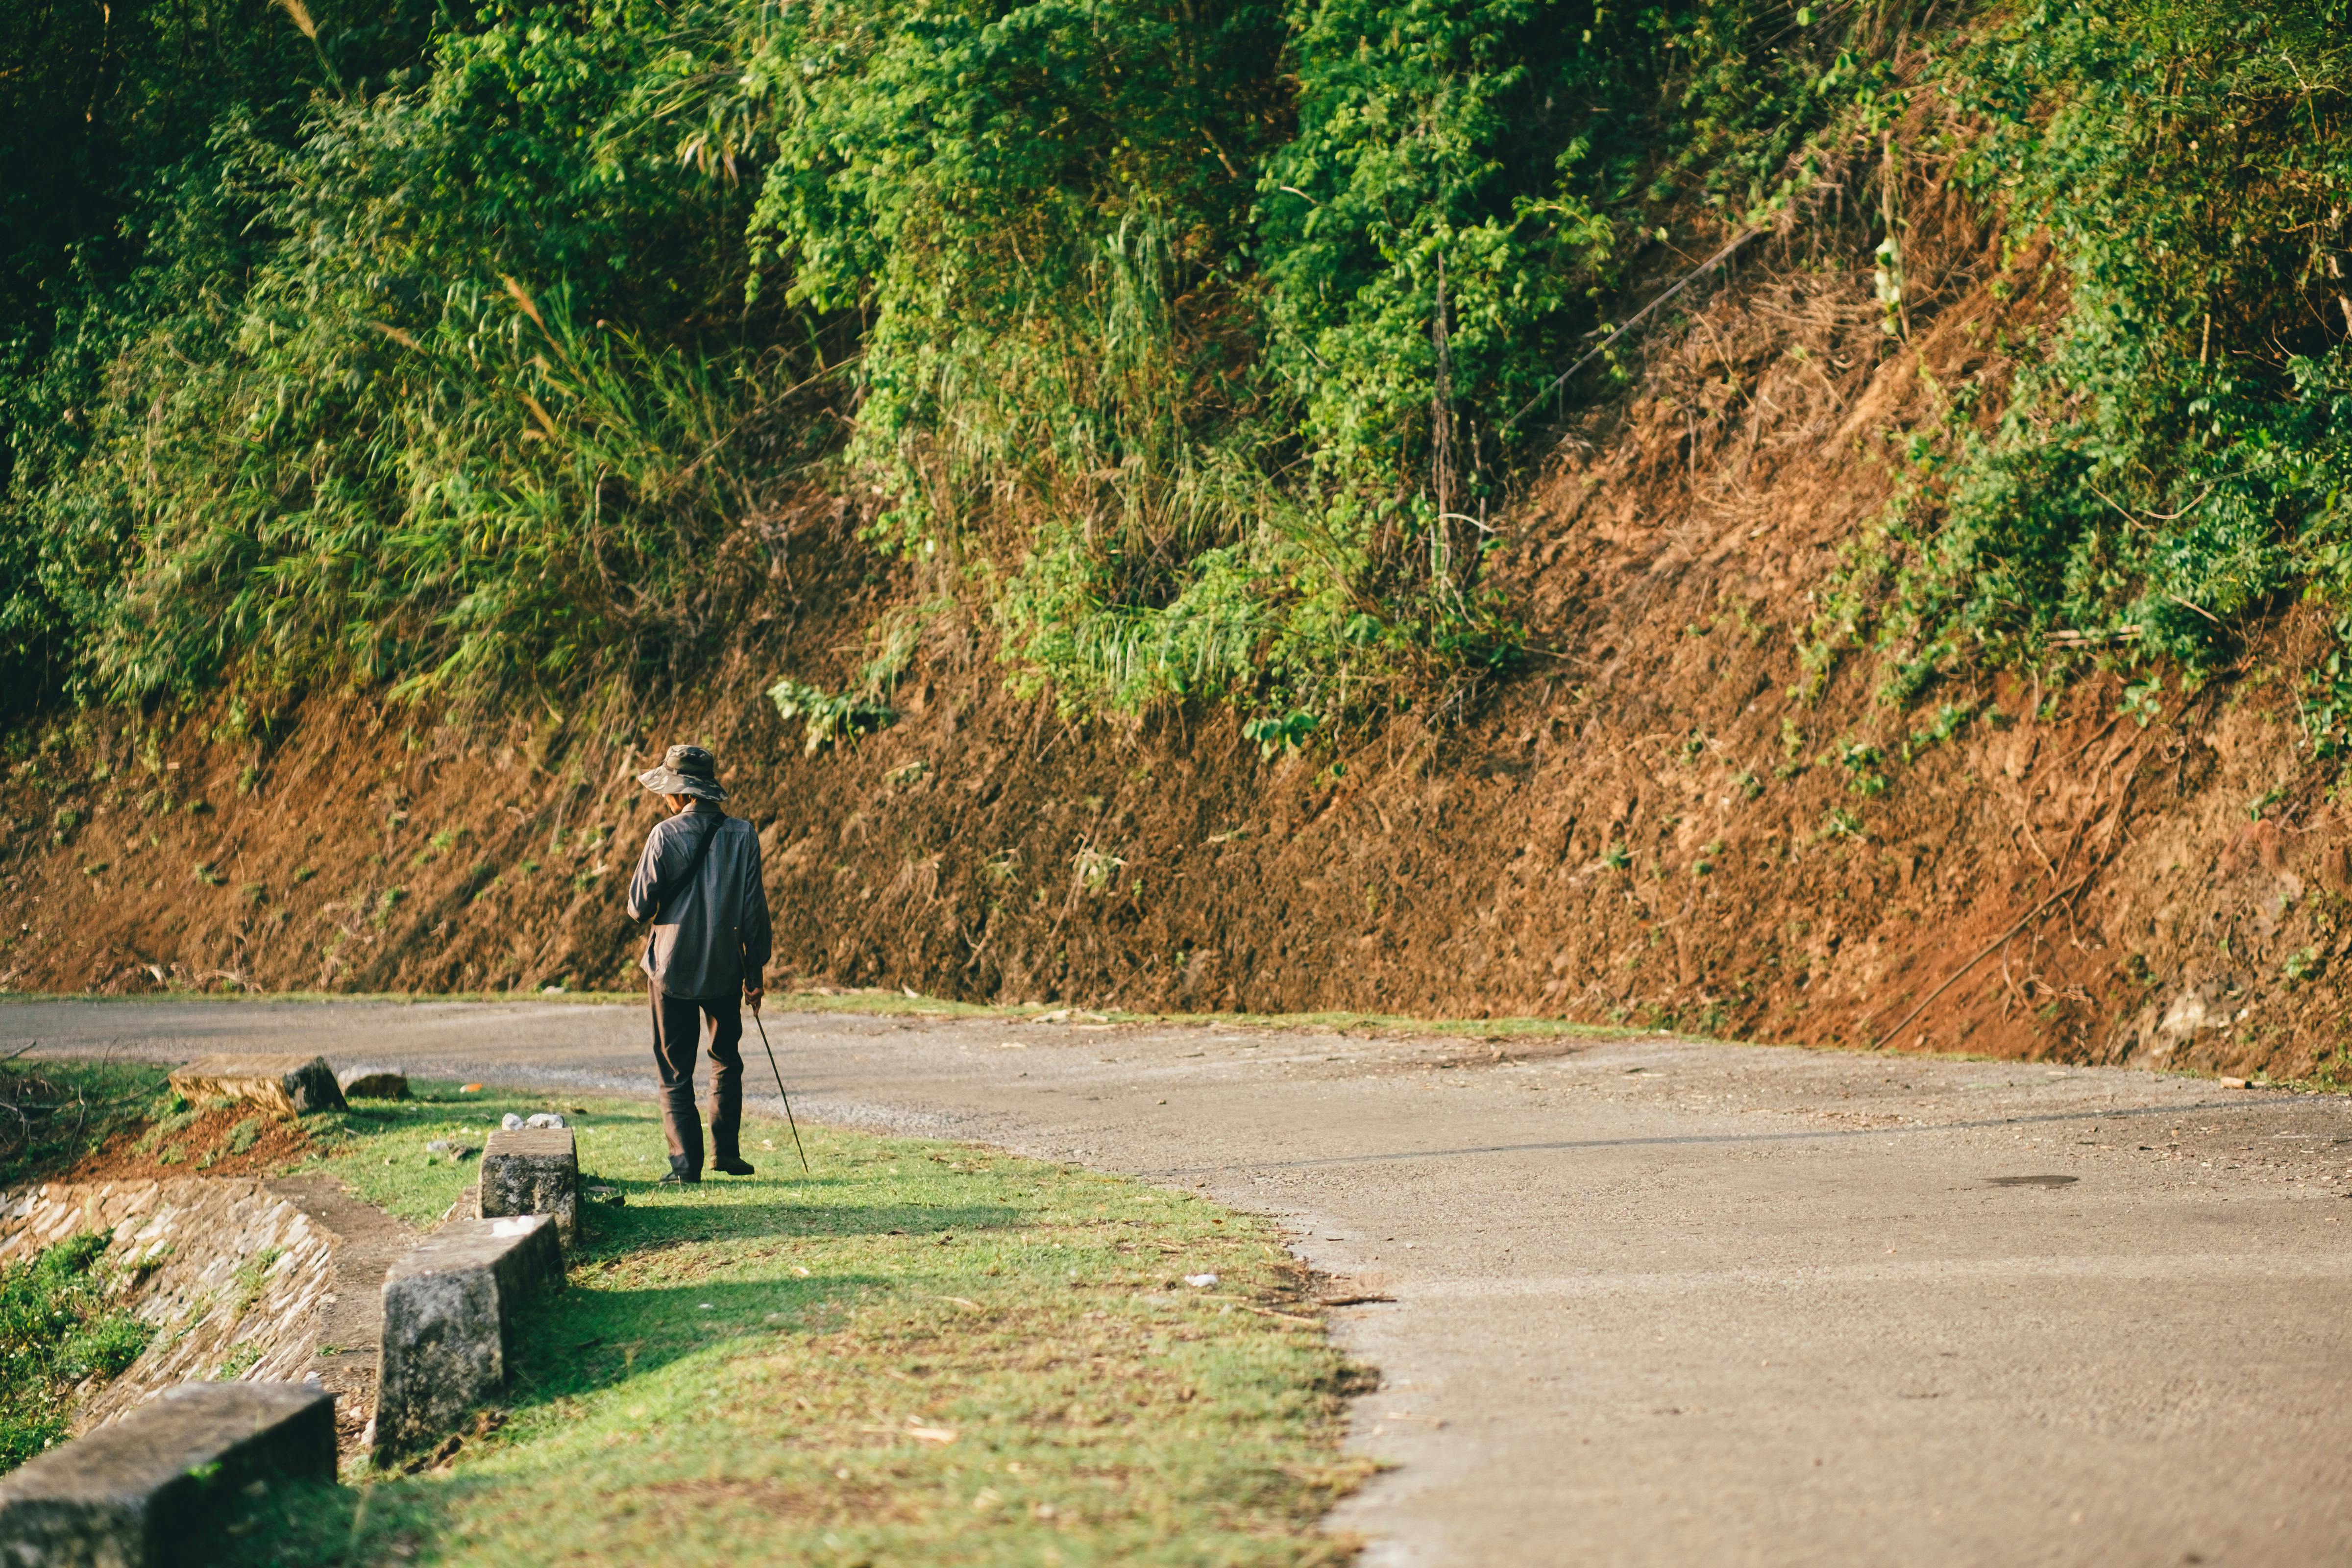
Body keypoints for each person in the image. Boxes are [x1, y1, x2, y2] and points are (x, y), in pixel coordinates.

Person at [626, 742, 773, 1184]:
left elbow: (637, 906)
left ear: (680, 795)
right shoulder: (743, 835)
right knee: (726, 1058)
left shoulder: (664, 836)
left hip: (670, 968)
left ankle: (685, 1166)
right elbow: (754, 910)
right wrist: (755, 973)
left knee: (675, 1068)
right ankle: (725, 1153)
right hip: (727, 968)